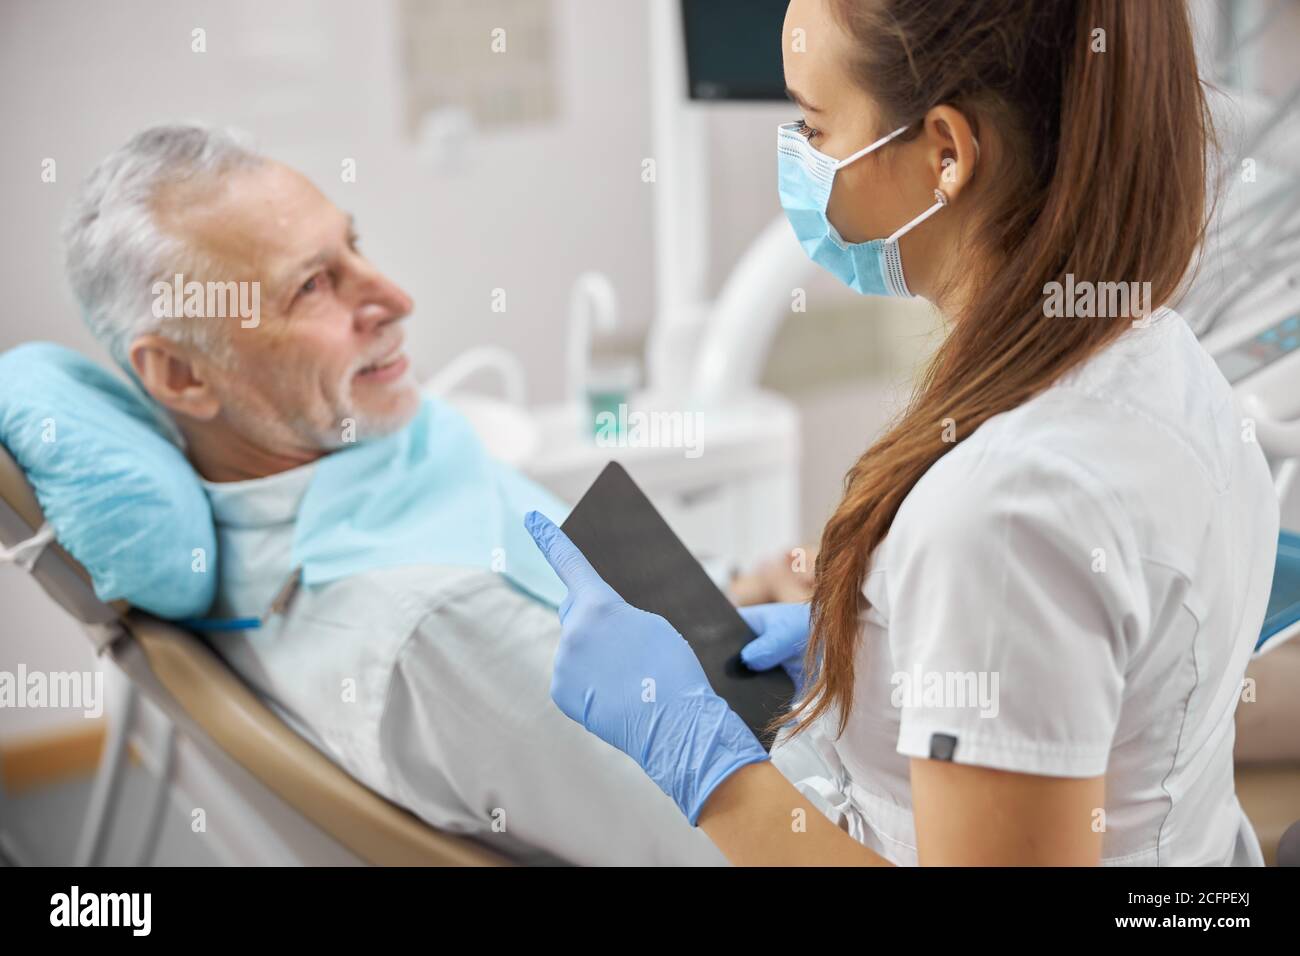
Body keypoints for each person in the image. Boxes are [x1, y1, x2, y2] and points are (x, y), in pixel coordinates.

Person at [524, 0, 1278, 866]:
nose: (801, 160)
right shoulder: (1153, 351)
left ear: (947, 154)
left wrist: (705, 767)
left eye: (813, 126)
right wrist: (889, 659)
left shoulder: (1001, 516)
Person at [62, 124, 728, 866]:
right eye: (311, 286)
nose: (396, 298)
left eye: (354, 246)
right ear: (182, 375)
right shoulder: (443, 628)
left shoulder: (374, 454)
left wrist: (724, 602)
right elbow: (733, 846)